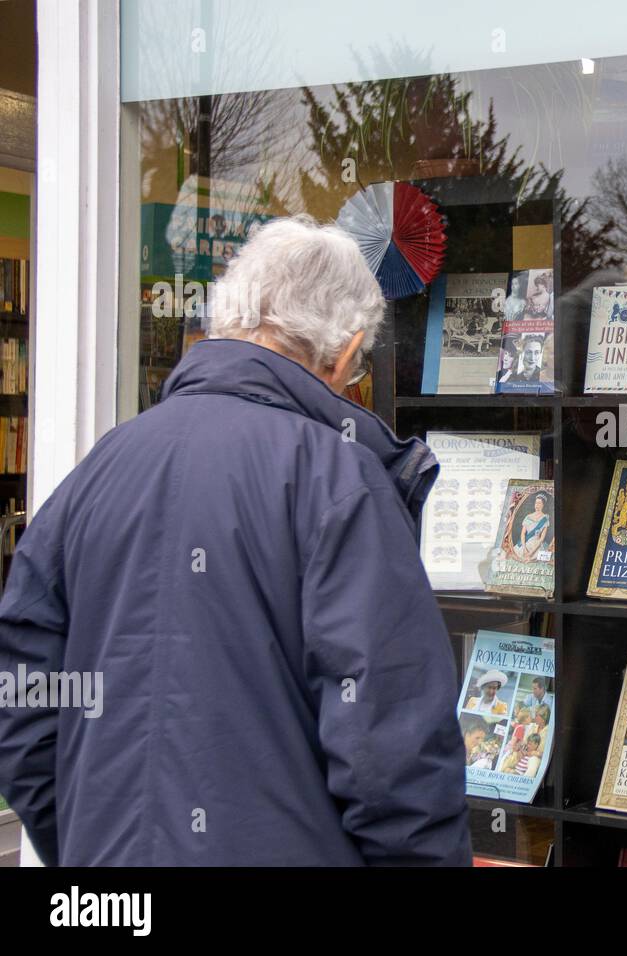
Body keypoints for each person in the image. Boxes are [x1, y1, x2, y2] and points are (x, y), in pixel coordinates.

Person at [0, 215, 470, 866]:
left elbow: (25, 700)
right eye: (357, 367)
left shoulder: (99, 470)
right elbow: (393, 756)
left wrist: (85, 845)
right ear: (343, 351)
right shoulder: (339, 479)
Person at [516, 494, 551, 561]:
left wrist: (531, 552)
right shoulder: (528, 517)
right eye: (536, 503)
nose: (537, 505)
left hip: (537, 545)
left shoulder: (545, 519)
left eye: (539, 503)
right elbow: (523, 534)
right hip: (525, 543)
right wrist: (524, 548)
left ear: (543, 505)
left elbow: (542, 538)